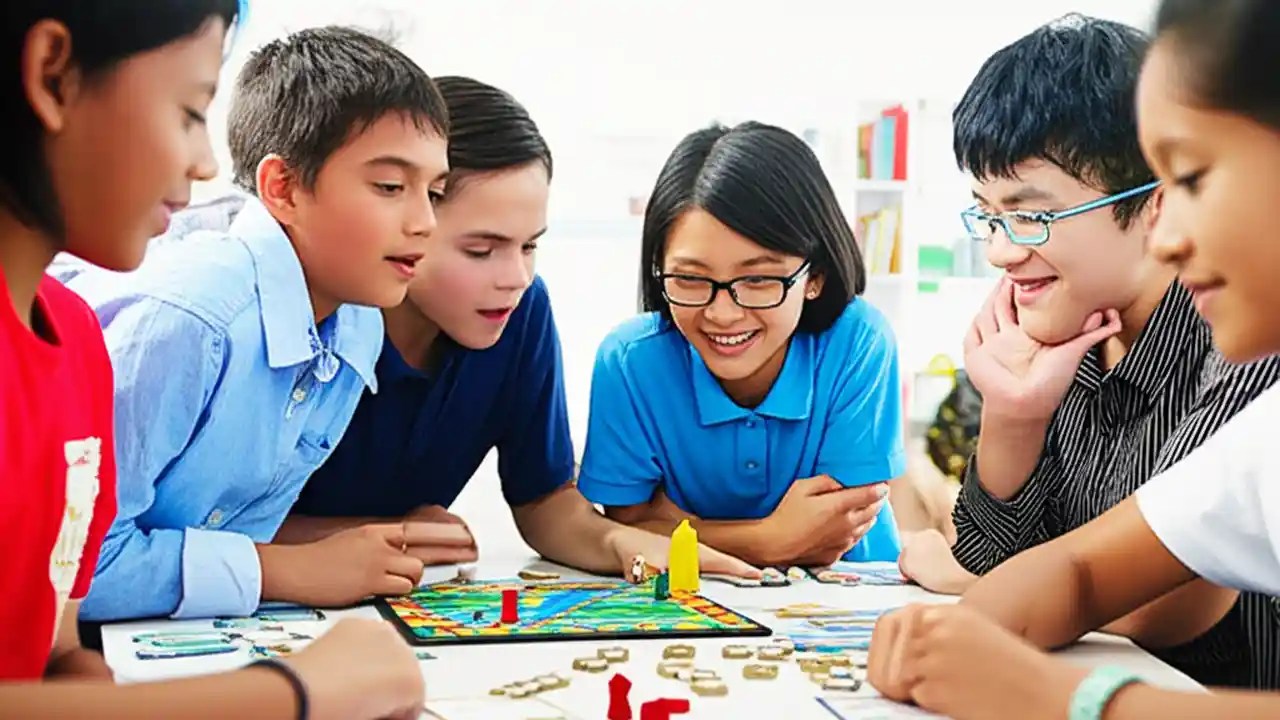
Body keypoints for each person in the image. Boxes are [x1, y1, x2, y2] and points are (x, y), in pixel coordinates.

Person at [0, 2, 422, 718]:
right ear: (53, 78)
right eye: (192, 111)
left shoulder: (72, 339)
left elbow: (53, 647)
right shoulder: (185, 314)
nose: (203, 163)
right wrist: (294, 692)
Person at [869, 1, 1280, 717]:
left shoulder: (1242, 345)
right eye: (989, 215)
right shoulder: (1069, 341)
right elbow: (1064, 569)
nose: (999, 248)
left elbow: (1165, 604)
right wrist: (1011, 417)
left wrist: (1053, 687)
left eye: (1191, 180)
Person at [276, 76, 758, 579]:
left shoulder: (522, 312)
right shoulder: (316, 314)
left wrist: (621, 543)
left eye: (529, 246)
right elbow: (204, 526)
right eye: (480, 251)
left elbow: (544, 503)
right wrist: (372, 533)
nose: (516, 278)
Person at [63, 25, 463, 623]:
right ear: (283, 188)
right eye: (389, 186)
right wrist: (287, 571)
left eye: (434, 191)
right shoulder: (190, 319)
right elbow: (67, 571)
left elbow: (241, 536)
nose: (425, 221)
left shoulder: (357, 324)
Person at [576, 121, 904, 568]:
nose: (723, 314)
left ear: (815, 277)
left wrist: (679, 525)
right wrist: (769, 540)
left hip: (848, 600)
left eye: (759, 279)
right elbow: (630, 523)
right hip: (693, 609)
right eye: (690, 279)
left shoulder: (858, 341)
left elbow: (834, 530)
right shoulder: (629, 363)